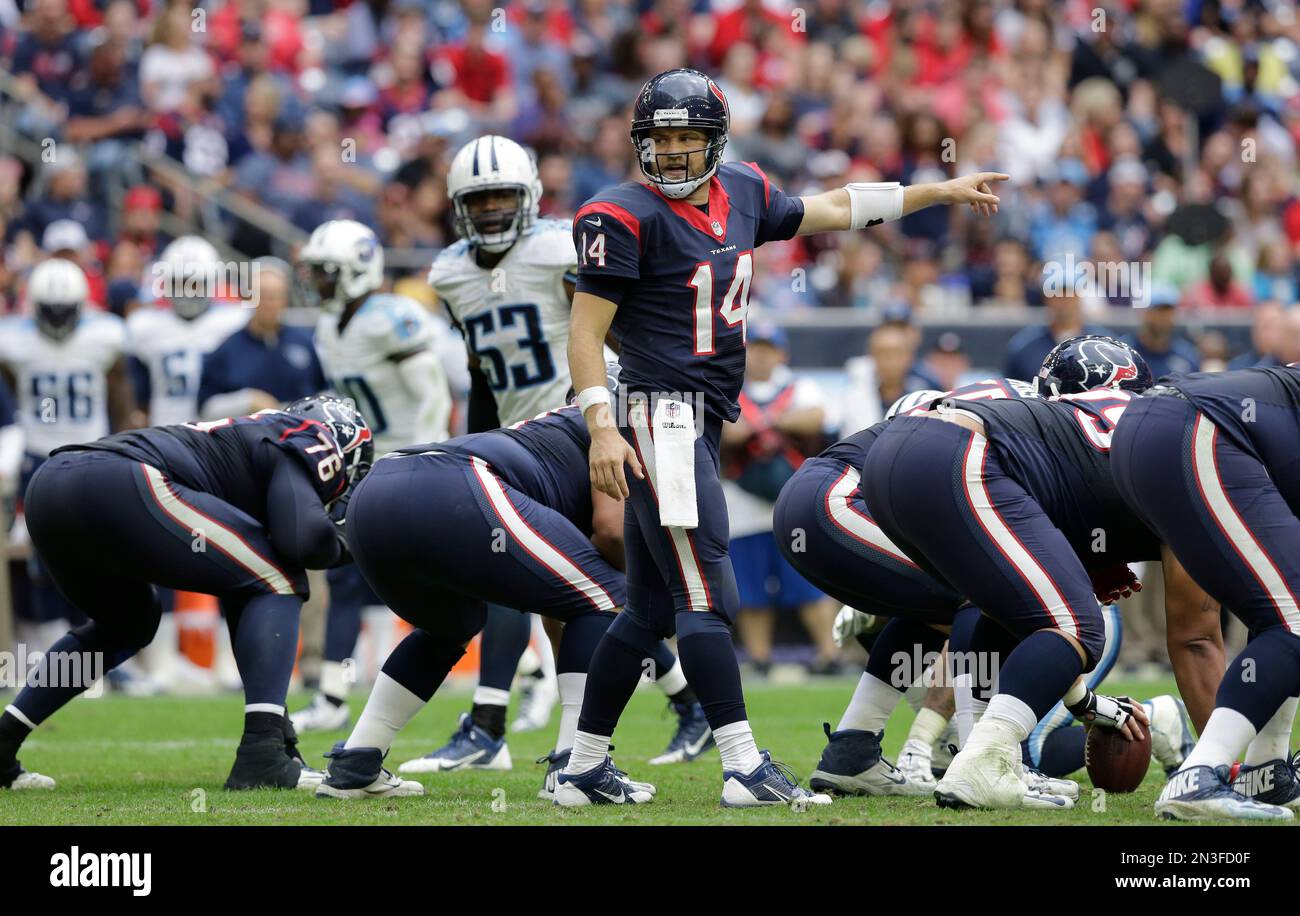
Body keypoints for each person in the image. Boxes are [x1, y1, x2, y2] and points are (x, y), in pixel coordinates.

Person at [562, 67, 1008, 807]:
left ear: (714, 141)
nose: (672, 153)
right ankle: (741, 763)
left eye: (686, 138)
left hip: (698, 416)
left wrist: (936, 191)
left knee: (646, 611)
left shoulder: (742, 191)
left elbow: (834, 207)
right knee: (709, 592)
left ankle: (581, 767)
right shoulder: (619, 213)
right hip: (658, 414)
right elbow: (585, 330)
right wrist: (599, 426)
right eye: (660, 139)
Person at [403, 135, 706, 774]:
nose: (489, 211)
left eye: (500, 198)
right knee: (555, 594)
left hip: (592, 415)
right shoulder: (450, 273)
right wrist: (476, 449)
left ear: (530, 197)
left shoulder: (556, 248)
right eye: (477, 200)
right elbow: (482, 370)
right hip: (524, 438)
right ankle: (683, 703)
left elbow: (610, 328)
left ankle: (498, 725)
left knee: (606, 539)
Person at [859, 337, 1210, 809]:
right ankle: (989, 754)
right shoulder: (1151, 436)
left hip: (890, 464)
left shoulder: (1041, 422)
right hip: (991, 507)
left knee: (996, 621)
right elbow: (1195, 637)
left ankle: (976, 753)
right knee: (1069, 631)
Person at [0, 396, 372, 791]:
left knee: (127, 623)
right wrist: (350, 544)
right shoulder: (308, 438)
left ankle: (3, 745)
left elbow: (246, 600)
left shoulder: (248, 444)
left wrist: (283, 733)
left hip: (51, 486)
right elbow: (304, 540)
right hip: (122, 480)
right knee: (279, 575)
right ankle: (261, 758)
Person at [317, 401, 663, 801]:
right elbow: (611, 532)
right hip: (458, 485)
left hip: (378, 491)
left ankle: (355, 765)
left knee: (450, 626)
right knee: (606, 597)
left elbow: (566, 594)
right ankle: (576, 768)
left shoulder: (556, 427)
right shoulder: (622, 418)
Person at [1113, 366, 1300, 820]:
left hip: (1150, 430)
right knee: (1293, 616)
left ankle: (1264, 769)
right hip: (1195, 428)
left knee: (1279, 610)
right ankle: (1199, 773)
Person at [291, 219, 454, 733]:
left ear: (358, 271)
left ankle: (529, 672)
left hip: (410, 461)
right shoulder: (330, 325)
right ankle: (335, 694)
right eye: (315, 272)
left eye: (326, 272)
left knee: (458, 578)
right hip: (364, 467)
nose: (318, 283)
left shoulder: (393, 318)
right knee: (345, 579)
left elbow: (434, 395)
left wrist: (422, 460)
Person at [0, 259, 136, 652]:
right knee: (39, 559)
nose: (57, 319)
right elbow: (7, 399)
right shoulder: (13, 341)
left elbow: (119, 395)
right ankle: (52, 649)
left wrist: (124, 443)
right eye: (50, 310)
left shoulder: (106, 336)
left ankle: (92, 644)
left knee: (94, 556)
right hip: (35, 458)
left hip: (89, 455)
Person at [722, 323, 839, 676]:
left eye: (768, 349)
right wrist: (770, 426)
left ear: (781, 354)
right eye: (756, 348)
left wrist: (766, 420)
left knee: (807, 584)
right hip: (743, 501)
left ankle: (829, 655)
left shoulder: (798, 386)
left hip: (791, 503)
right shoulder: (730, 385)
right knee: (750, 587)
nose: (761, 355)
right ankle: (759, 657)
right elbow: (729, 429)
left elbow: (815, 418)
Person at [197, 258, 327, 420]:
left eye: (276, 295)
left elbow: (324, 393)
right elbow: (205, 408)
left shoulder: (304, 342)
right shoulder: (227, 349)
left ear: (286, 299)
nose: (269, 303)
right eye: (262, 295)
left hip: (300, 439)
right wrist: (247, 401)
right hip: (246, 441)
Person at [1119, 284, 1201, 379]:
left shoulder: (1187, 355)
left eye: (1169, 311)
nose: (1164, 317)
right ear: (1143, 313)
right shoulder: (1122, 353)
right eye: (1158, 311)